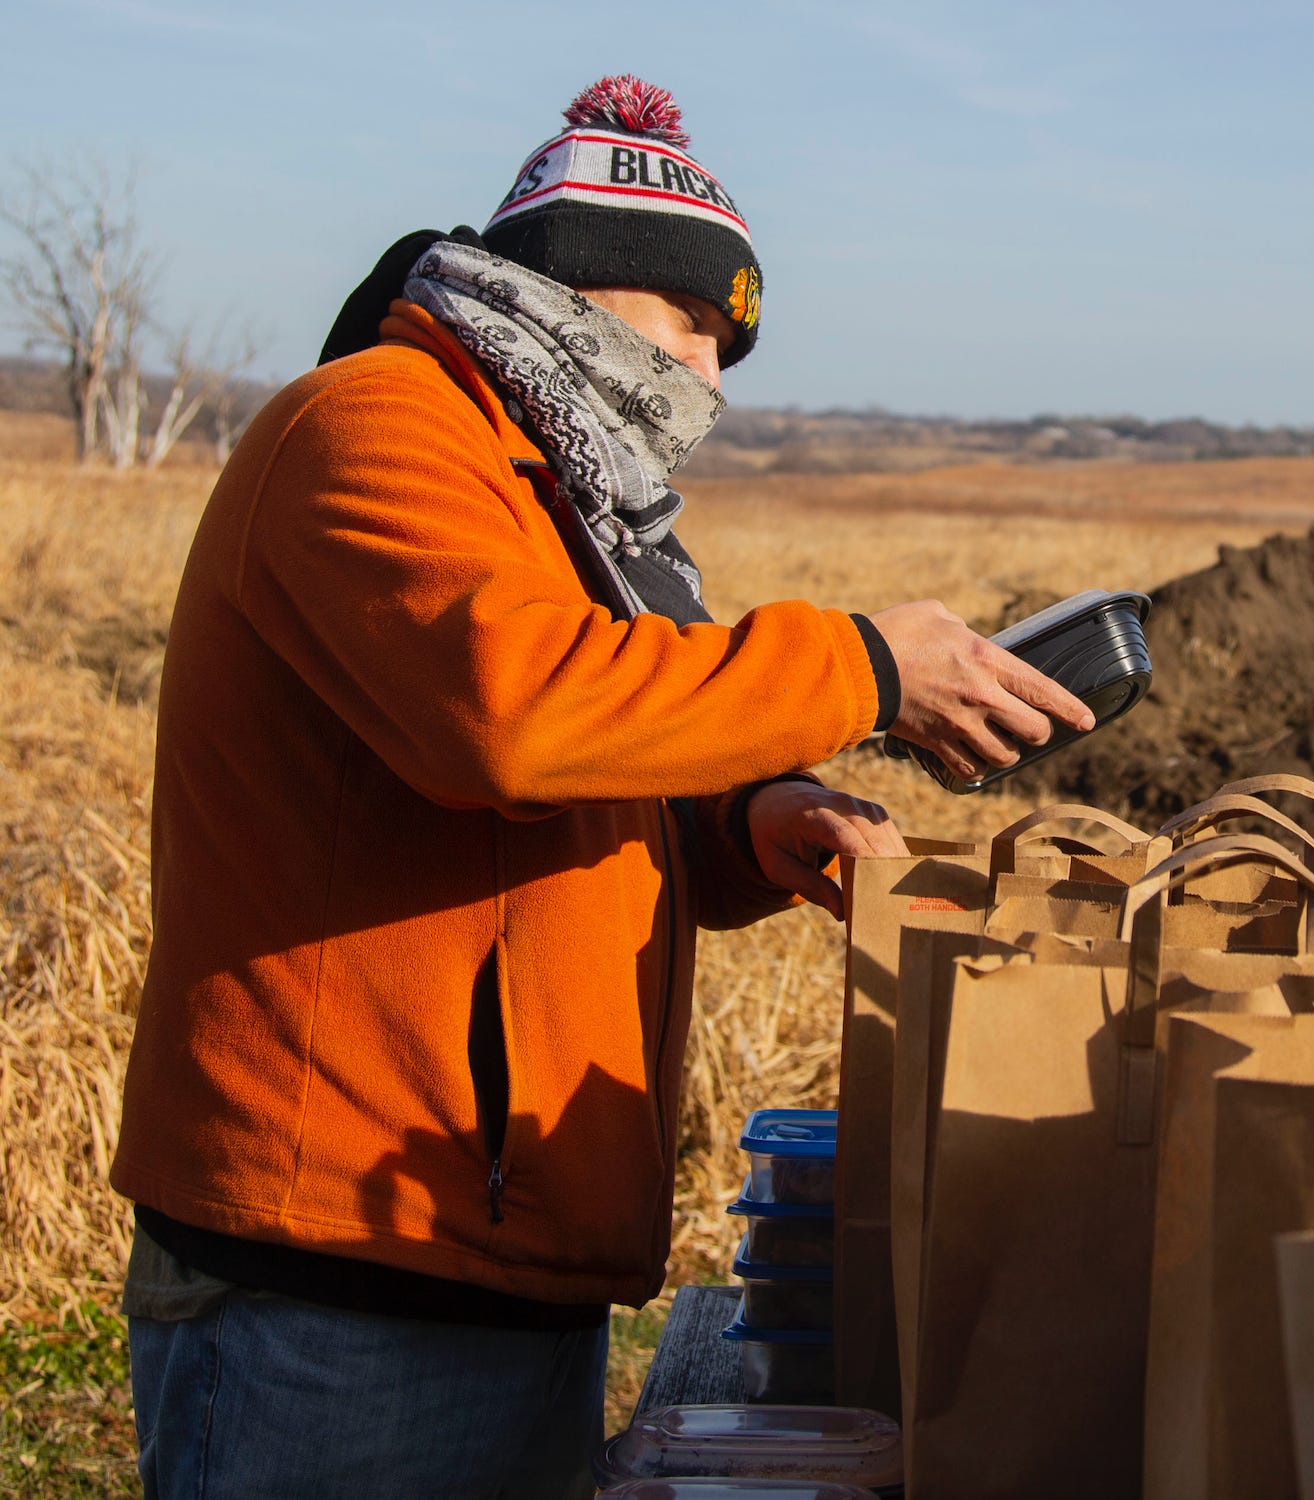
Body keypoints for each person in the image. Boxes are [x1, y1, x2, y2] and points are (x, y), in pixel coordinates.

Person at [112, 74, 1092, 1498]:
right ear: (578, 285)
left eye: (726, 349)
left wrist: (750, 828)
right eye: (692, 324)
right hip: (331, 1280)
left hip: (488, 1251)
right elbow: (505, 714)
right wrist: (864, 665)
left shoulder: (564, 496)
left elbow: (587, 767)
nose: (705, 377)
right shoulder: (374, 429)